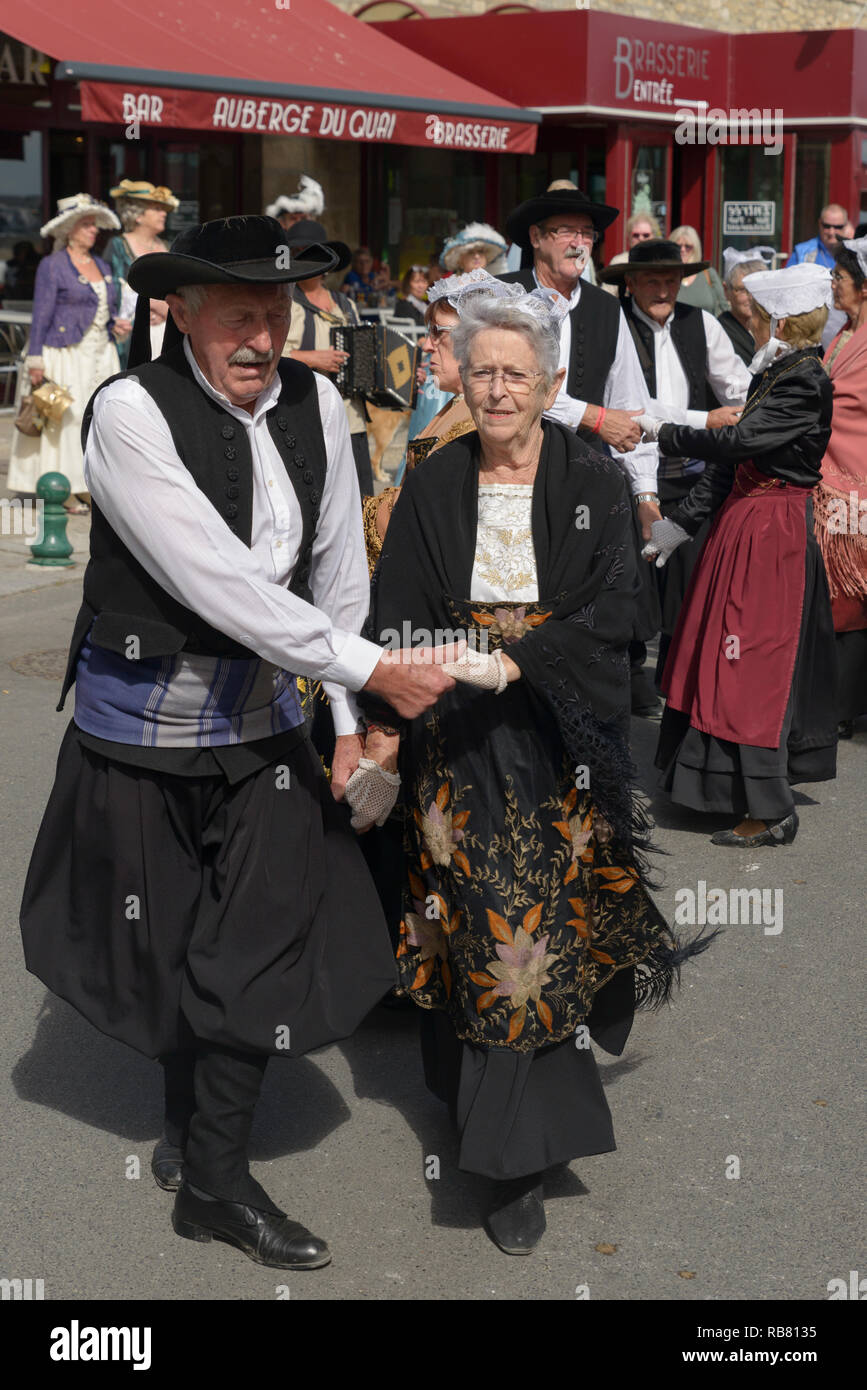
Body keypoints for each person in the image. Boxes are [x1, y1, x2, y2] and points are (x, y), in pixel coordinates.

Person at [18, 214, 456, 1272]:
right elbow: (213, 578)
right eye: (242, 315)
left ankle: (212, 1183)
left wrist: (350, 730)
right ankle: (188, 1136)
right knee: (171, 952)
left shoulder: (314, 401)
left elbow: (339, 573)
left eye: (278, 312)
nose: (264, 335)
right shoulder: (128, 413)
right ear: (182, 314)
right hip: (143, 732)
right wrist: (367, 672)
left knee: (252, 953)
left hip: (264, 728)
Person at [360, 286, 709, 1255]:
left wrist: (521, 656)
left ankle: (519, 1132)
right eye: (483, 372)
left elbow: (617, 610)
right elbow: (395, 614)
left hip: (563, 738)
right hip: (457, 737)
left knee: (544, 922)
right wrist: (384, 738)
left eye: (518, 373)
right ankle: (508, 1154)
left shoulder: (592, 476)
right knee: (484, 918)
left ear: (554, 382)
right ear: (461, 379)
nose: (500, 389)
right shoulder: (435, 482)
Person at [640, 263, 837, 847]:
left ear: (780, 319)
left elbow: (738, 442)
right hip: (746, 525)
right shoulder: (778, 372)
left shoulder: (804, 378)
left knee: (753, 665)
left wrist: (663, 430)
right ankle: (720, 787)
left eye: (754, 314)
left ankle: (771, 807)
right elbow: (731, 466)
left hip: (773, 530)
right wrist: (680, 524)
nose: (746, 323)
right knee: (722, 656)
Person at [500, 183, 663, 714]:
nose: (579, 242)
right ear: (537, 238)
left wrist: (645, 493)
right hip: (507, 472)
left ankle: (586, 714)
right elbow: (499, 388)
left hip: (584, 481)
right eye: (567, 231)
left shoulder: (604, 308)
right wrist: (590, 415)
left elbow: (629, 407)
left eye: (587, 233)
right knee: (517, 604)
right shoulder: (501, 296)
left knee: (591, 607)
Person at [599, 239, 751, 679]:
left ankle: (674, 678)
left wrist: (750, 407)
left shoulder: (701, 322)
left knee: (686, 587)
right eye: (652, 281)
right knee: (629, 581)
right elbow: (634, 408)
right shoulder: (616, 325)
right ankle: (629, 678)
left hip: (688, 477)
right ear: (630, 283)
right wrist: (705, 420)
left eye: (671, 280)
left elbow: (737, 386)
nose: (664, 290)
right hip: (627, 473)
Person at [7, 194, 130, 514]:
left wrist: (113, 324)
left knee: (98, 419)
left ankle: (90, 485)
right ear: (69, 230)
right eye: (86, 225)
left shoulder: (101, 265)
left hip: (100, 354)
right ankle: (63, 486)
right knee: (65, 421)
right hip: (64, 352)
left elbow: (103, 309)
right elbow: (42, 314)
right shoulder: (52, 265)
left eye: (94, 225)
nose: (93, 231)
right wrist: (36, 359)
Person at [368, 268, 497, 551]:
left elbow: (432, 524)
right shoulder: (461, 404)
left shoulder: (476, 421)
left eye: (438, 333)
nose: (427, 345)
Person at [813, 236, 867, 734]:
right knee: (838, 596)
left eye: (840, 278)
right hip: (831, 481)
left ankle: (847, 706)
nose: (832, 284)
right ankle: (840, 705)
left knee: (851, 594)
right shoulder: (843, 332)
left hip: (856, 482)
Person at [278, 218, 373, 495]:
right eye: (299, 253)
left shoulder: (346, 304)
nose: (306, 259)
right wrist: (312, 358)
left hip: (351, 415)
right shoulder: (285, 303)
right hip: (306, 413)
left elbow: (367, 352)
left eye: (313, 252)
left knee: (358, 497)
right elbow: (270, 353)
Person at [107, 180, 178, 367]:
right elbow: (110, 289)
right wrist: (153, 304)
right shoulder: (118, 246)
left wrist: (166, 310)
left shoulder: (168, 246)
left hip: (165, 332)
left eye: (163, 209)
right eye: (156, 208)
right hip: (130, 335)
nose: (163, 213)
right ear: (137, 215)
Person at [718, 249, 774, 365]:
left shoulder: (775, 328)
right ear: (726, 290)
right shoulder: (720, 333)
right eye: (743, 290)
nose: (751, 298)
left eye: (757, 289)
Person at [601, 211, 663, 297]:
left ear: (654, 237)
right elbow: (606, 295)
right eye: (636, 235)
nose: (641, 238)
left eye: (646, 235)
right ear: (629, 238)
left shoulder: (662, 262)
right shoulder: (619, 262)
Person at [671, 226, 728, 316]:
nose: (682, 250)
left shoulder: (708, 273)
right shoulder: (666, 276)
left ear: (695, 248)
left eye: (688, 246)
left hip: (707, 329)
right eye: (678, 246)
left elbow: (724, 307)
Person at [786, 203, 848, 269]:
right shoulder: (801, 252)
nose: (831, 232)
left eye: (837, 227)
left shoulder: (853, 253)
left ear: (845, 226)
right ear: (819, 223)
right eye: (826, 226)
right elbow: (788, 277)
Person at [440, 222, 508, 277]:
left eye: (481, 251)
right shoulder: (452, 286)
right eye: (470, 252)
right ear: (460, 260)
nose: (477, 256)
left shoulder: (497, 285)